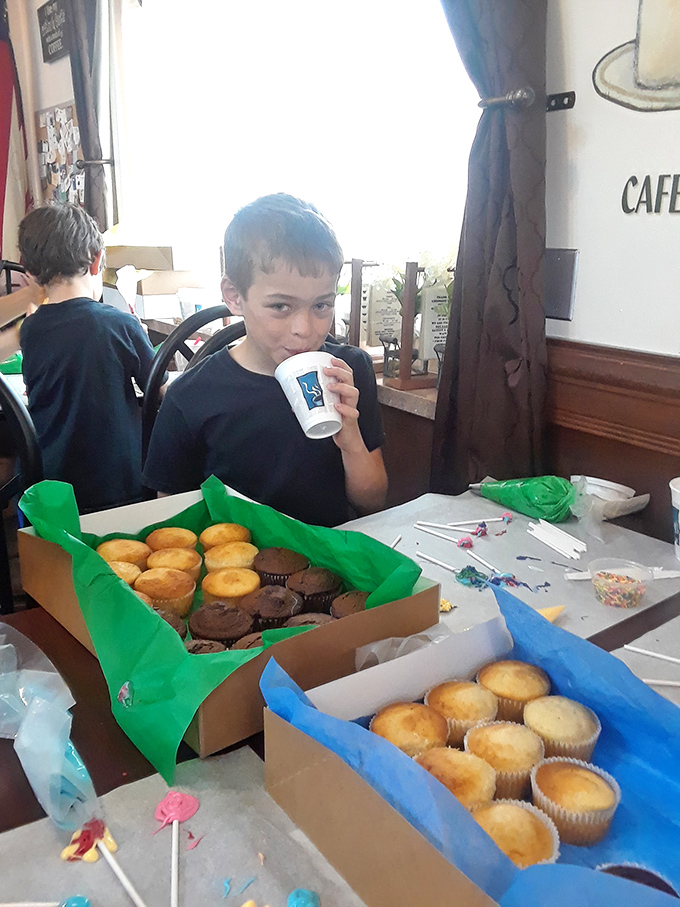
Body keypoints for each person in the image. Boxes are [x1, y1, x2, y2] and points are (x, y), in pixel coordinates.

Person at [143, 193, 388, 526]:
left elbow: (373, 503)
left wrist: (351, 441)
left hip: (331, 564)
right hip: (235, 571)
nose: (304, 330)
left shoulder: (349, 373)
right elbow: (169, 525)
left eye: (321, 306)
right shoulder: (191, 398)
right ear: (234, 296)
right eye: (280, 306)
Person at [18, 203, 157, 512]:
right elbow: (160, 390)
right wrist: (139, 337)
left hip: (57, 484)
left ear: (30, 273)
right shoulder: (119, 323)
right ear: (97, 262)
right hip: (119, 484)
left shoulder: (31, 328)